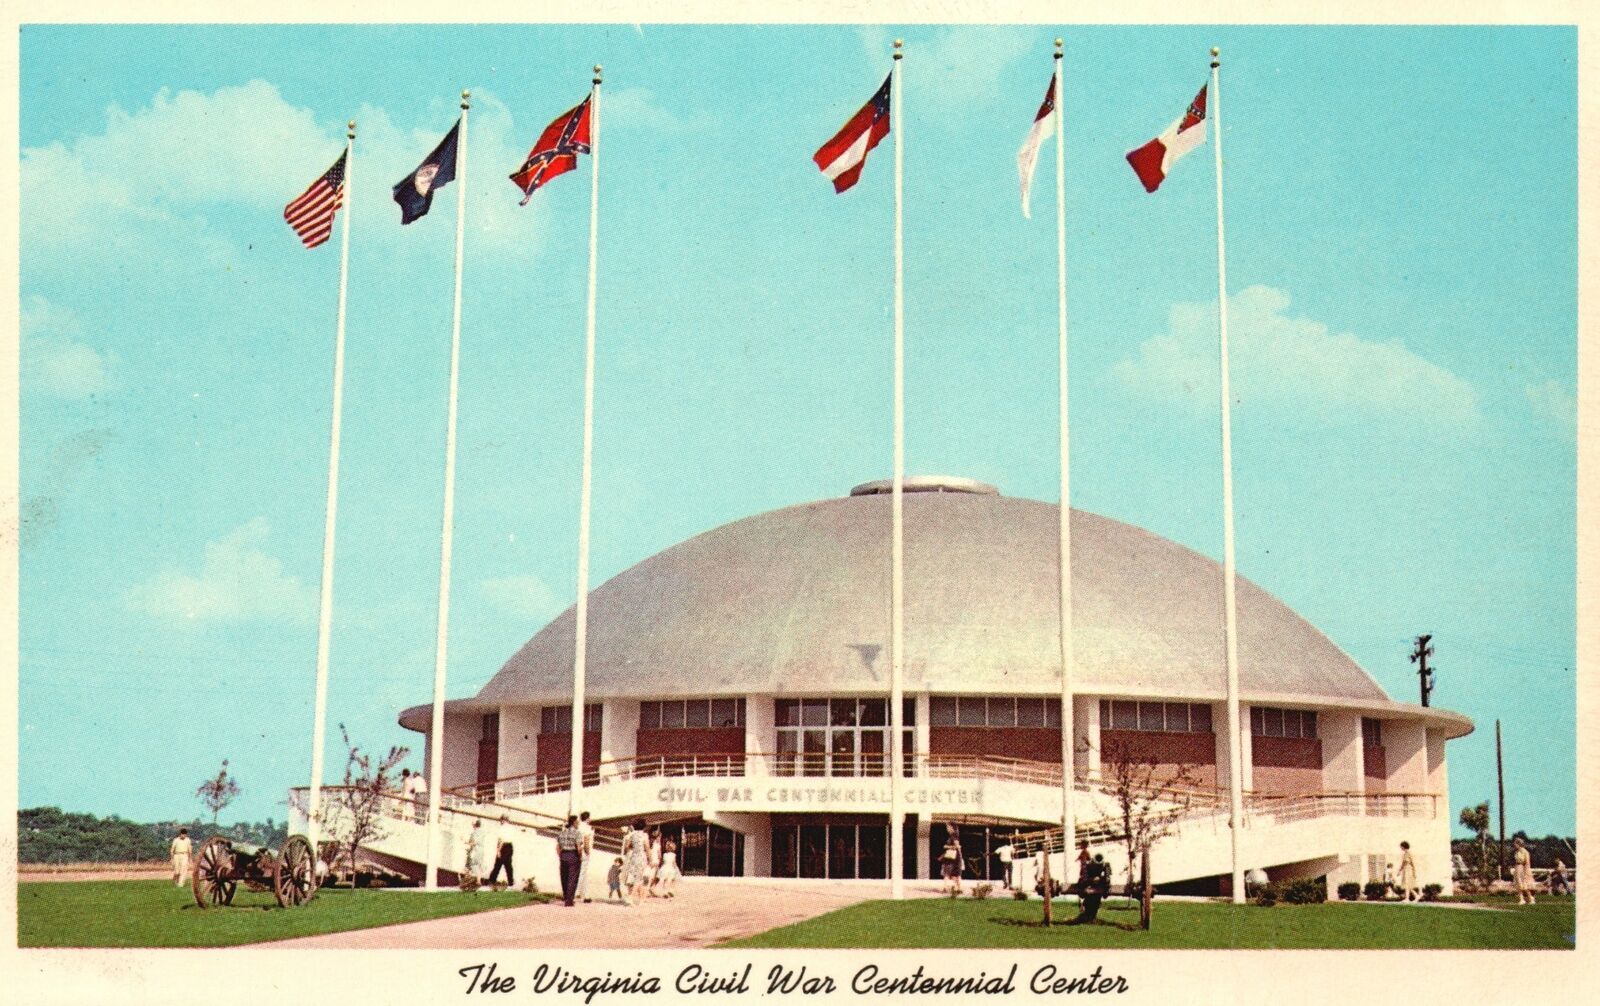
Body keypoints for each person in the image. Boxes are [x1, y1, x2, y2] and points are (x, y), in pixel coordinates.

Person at [1070, 853, 1111, 924]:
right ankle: (1088, 916)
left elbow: (1107, 880)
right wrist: (1092, 880)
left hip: (1098, 885)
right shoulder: (1088, 866)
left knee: (1096, 901)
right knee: (1090, 901)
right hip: (1088, 884)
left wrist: (1102, 880)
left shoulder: (1105, 866)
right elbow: (1083, 879)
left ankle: (1091, 917)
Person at [556, 815, 583, 906]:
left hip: (563, 854)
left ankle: (565, 896)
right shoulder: (577, 833)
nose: (578, 823)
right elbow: (578, 847)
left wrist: (560, 855)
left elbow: (558, 847)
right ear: (574, 822)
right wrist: (580, 856)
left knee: (564, 877)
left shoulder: (562, 832)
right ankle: (569, 900)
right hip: (573, 854)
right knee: (572, 878)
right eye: (577, 822)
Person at [623, 818, 651, 904]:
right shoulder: (644, 835)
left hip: (633, 856)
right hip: (641, 857)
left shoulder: (632, 835)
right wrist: (650, 859)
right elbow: (647, 847)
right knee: (639, 878)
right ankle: (631, 896)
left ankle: (641, 899)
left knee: (634, 876)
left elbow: (626, 848)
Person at [487, 814, 515, 887]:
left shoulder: (502, 828)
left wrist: (498, 850)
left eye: (501, 820)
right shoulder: (511, 828)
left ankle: (492, 880)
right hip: (510, 846)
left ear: (503, 820)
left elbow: (501, 840)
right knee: (508, 865)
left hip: (503, 847)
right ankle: (511, 882)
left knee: (497, 865)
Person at [576, 811, 595, 904]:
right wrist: (587, 852)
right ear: (587, 818)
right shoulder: (587, 828)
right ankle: (580, 894)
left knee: (577, 872)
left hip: (576, 851)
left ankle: (579, 893)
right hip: (583, 851)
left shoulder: (577, 827)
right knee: (583, 873)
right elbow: (586, 841)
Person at [1512, 837, 1536, 905]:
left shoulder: (1525, 852)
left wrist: (1526, 871)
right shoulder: (1516, 852)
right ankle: (1521, 899)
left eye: (1515, 844)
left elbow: (1527, 862)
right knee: (1518, 885)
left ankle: (1531, 898)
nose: (1514, 845)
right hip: (1517, 868)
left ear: (1519, 844)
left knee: (1525, 885)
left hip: (1523, 868)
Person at [647, 828, 664, 897]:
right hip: (656, 861)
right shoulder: (657, 845)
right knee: (657, 876)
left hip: (650, 861)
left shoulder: (650, 844)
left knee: (650, 876)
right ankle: (651, 887)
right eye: (660, 837)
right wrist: (661, 861)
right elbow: (659, 855)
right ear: (657, 837)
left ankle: (649, 888)